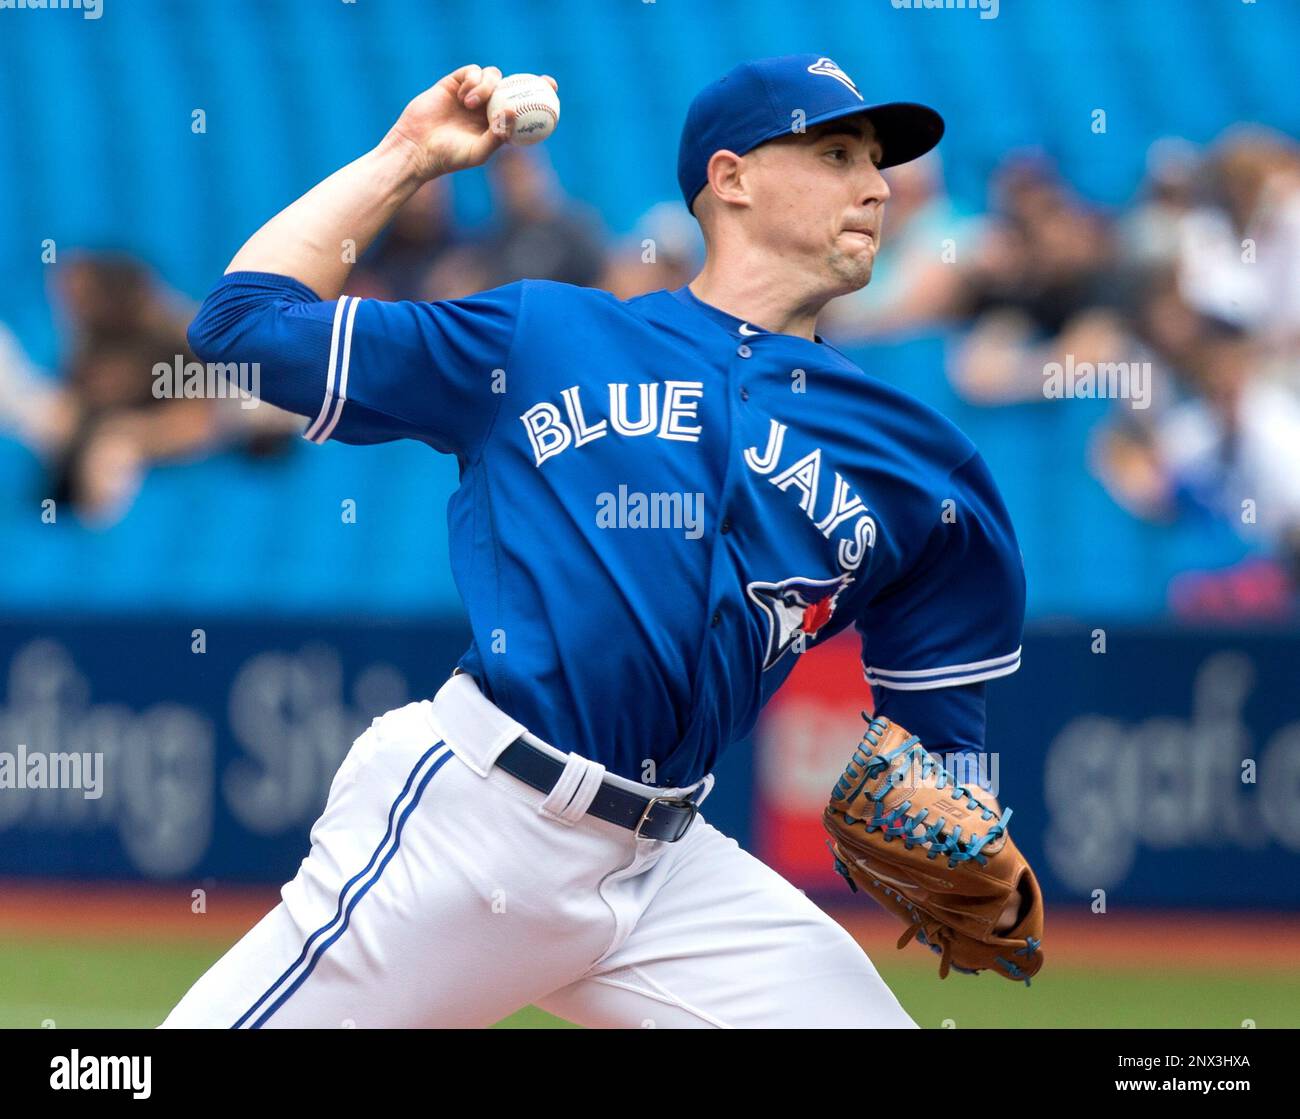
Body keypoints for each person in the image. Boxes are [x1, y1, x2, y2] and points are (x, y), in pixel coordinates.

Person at [162, 54, 1025, 1029]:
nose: (878, 185)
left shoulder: (919, 464)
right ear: (729, 178)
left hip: (666, 873)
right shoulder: (542, 336)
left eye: (877, 161)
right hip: (479, 818)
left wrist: (964, 811)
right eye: (835, 152)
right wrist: (406, 157)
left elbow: (942, 731)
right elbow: (241, 327)